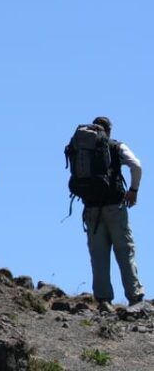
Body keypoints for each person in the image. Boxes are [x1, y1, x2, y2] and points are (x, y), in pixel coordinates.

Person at [83, 116, 144, 309]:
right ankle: (134, 297)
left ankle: (103, 300)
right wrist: (133, 190)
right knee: (124, 251)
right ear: (108, 130)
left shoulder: (83, 149)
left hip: (91, 209)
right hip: (115, 207)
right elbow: (136, 165)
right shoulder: (115, 146)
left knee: (98, 255)